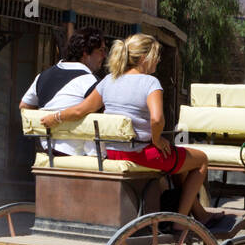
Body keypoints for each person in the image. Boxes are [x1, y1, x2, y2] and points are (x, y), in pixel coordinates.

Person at [43, 33, 218, 225]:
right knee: (200, 160)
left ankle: (198, 213)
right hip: (141, 153)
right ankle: (180, 223)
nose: (158, 60)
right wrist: (157, 140)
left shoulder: (109, 80)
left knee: (181, 159)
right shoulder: (150, 83)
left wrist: (55, 117)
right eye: (156, 56)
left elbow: (80, 110)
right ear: (144, 58)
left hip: (111, 152)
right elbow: (157, 119)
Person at [20, 27, 107, 156]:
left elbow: (24, 106)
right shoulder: (93, 82)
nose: (104, 56)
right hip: (78, 156)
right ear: (85, 53)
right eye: (101, 51)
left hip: (46, 151)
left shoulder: (42, 76)